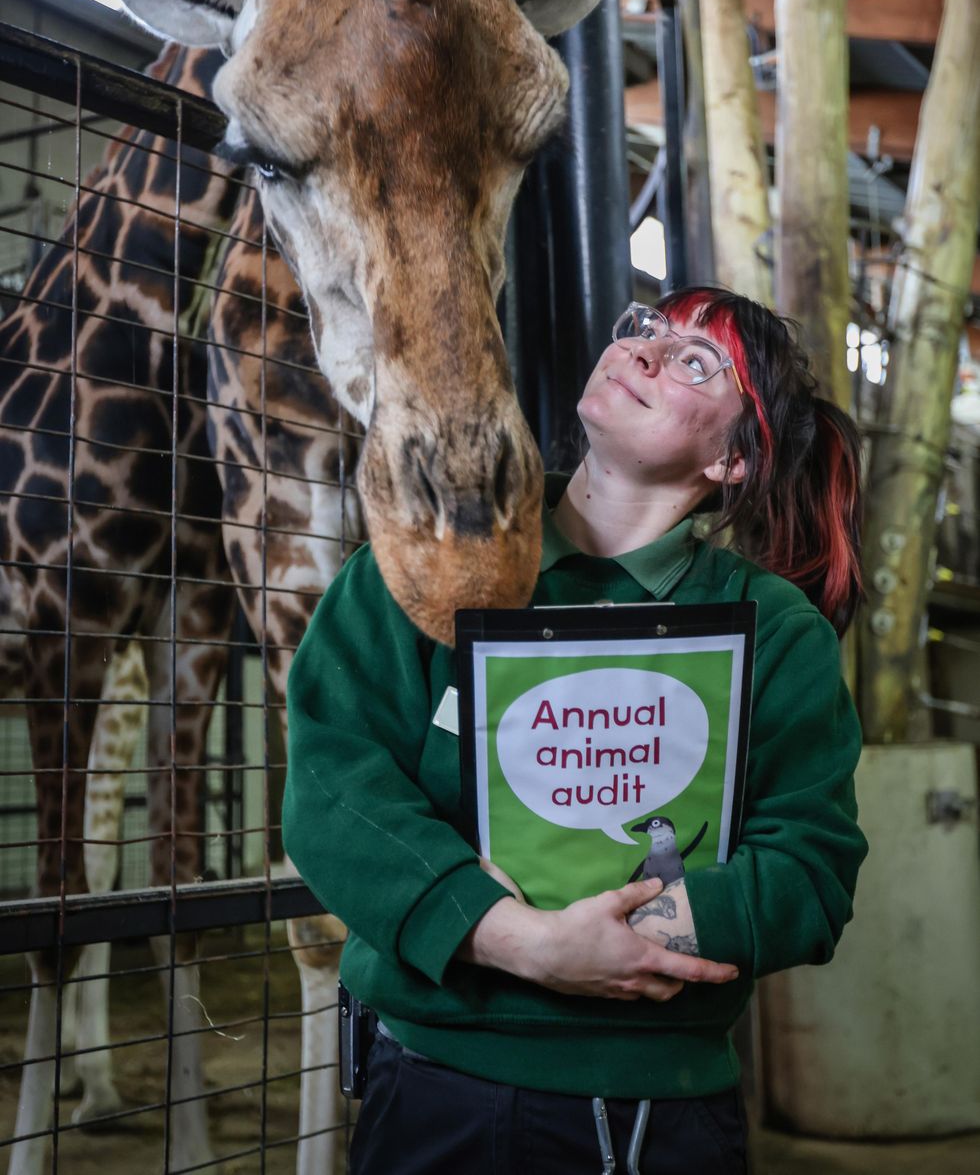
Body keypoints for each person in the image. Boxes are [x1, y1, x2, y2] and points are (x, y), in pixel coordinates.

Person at [283, 286, 868, 1175]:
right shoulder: (422, 564)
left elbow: (811, 868)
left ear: (735, 460)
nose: (642, 351)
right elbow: (334, 791)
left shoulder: (772, 628)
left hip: (658, 1114)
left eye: (694, 360)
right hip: (432, 1088)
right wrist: (517, 938)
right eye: (645, 330)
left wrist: (651, 931)